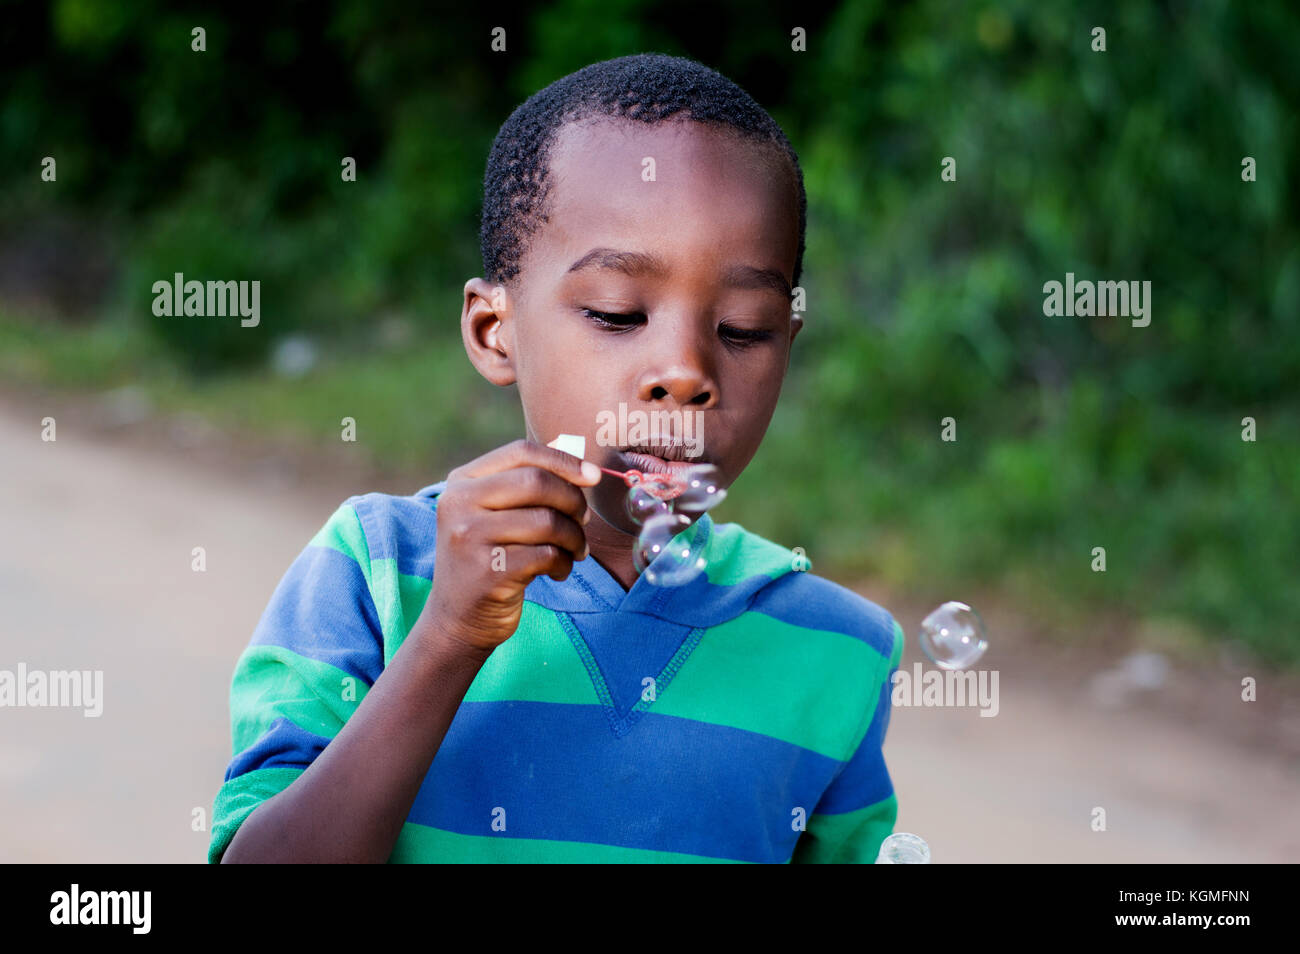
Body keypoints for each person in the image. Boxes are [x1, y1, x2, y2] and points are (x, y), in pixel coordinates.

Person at [210, 52, 903, 864]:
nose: (684, 373)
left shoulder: (839, 649)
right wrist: (448, 639)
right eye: (616, 314)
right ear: (492, 330)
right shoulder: (377, 572)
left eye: (744, 328)